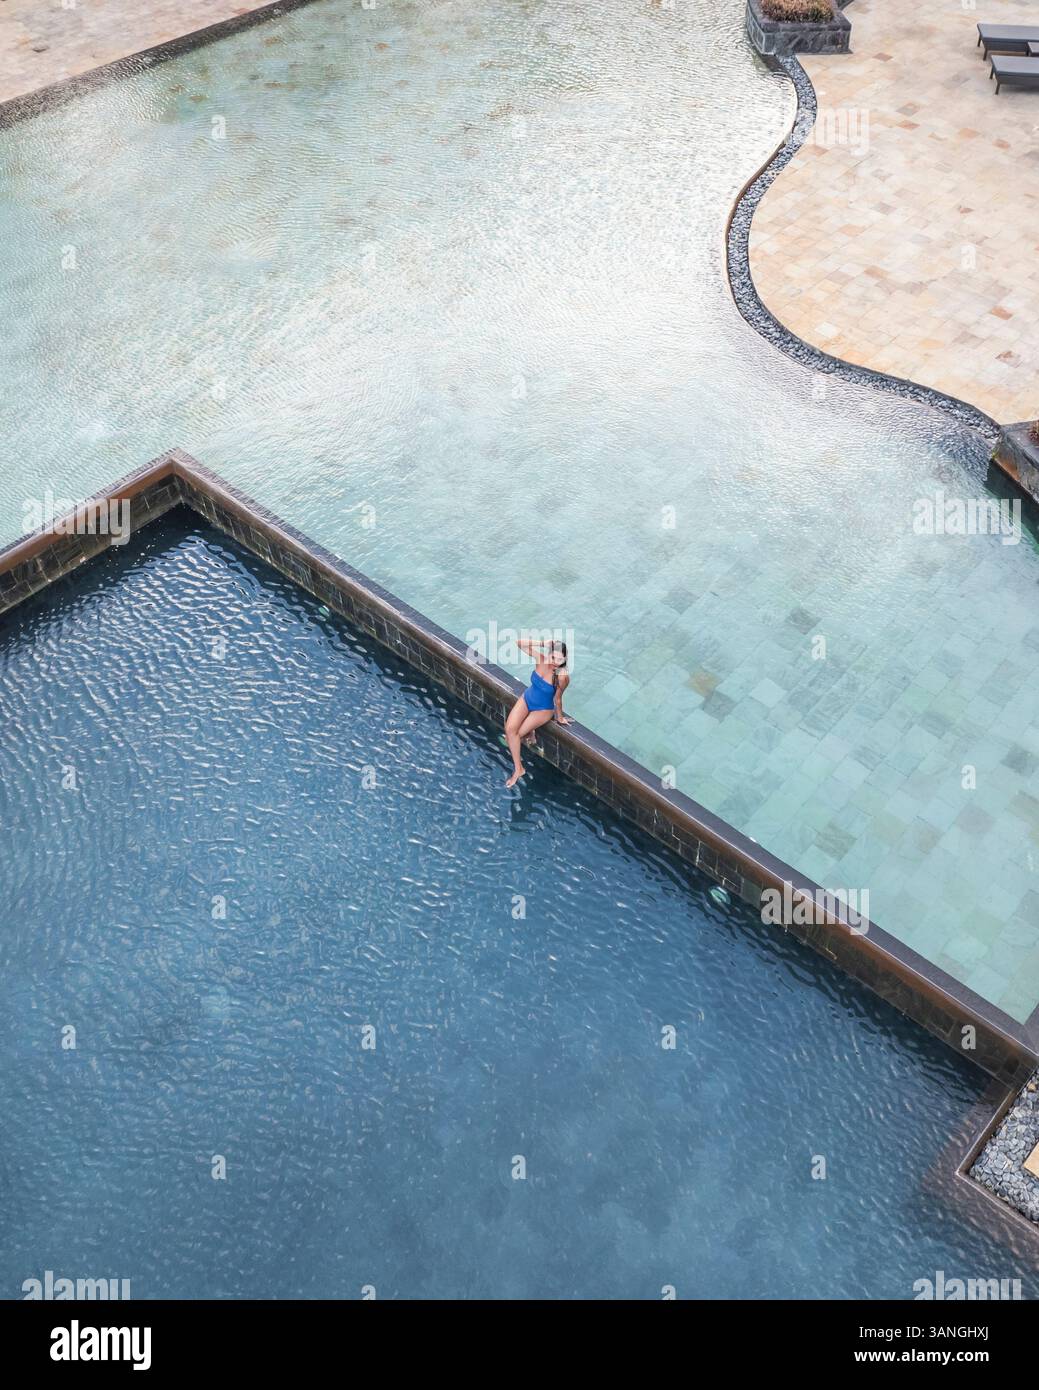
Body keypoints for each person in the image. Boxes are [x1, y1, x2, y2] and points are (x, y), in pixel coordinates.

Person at [503, 637, 570, 788]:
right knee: (509, 730)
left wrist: (559, 717)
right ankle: (530, 736)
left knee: (516, 735)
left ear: (565, 659)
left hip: (543, 708)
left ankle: (518, 769)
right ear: (549, 653)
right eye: (553, 657)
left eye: (560, 660)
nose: (555, 662)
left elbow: (558, 699)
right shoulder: (540, 659)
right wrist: (543, 643)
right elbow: (518, 643)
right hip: (527, 698)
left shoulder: (562, 676)